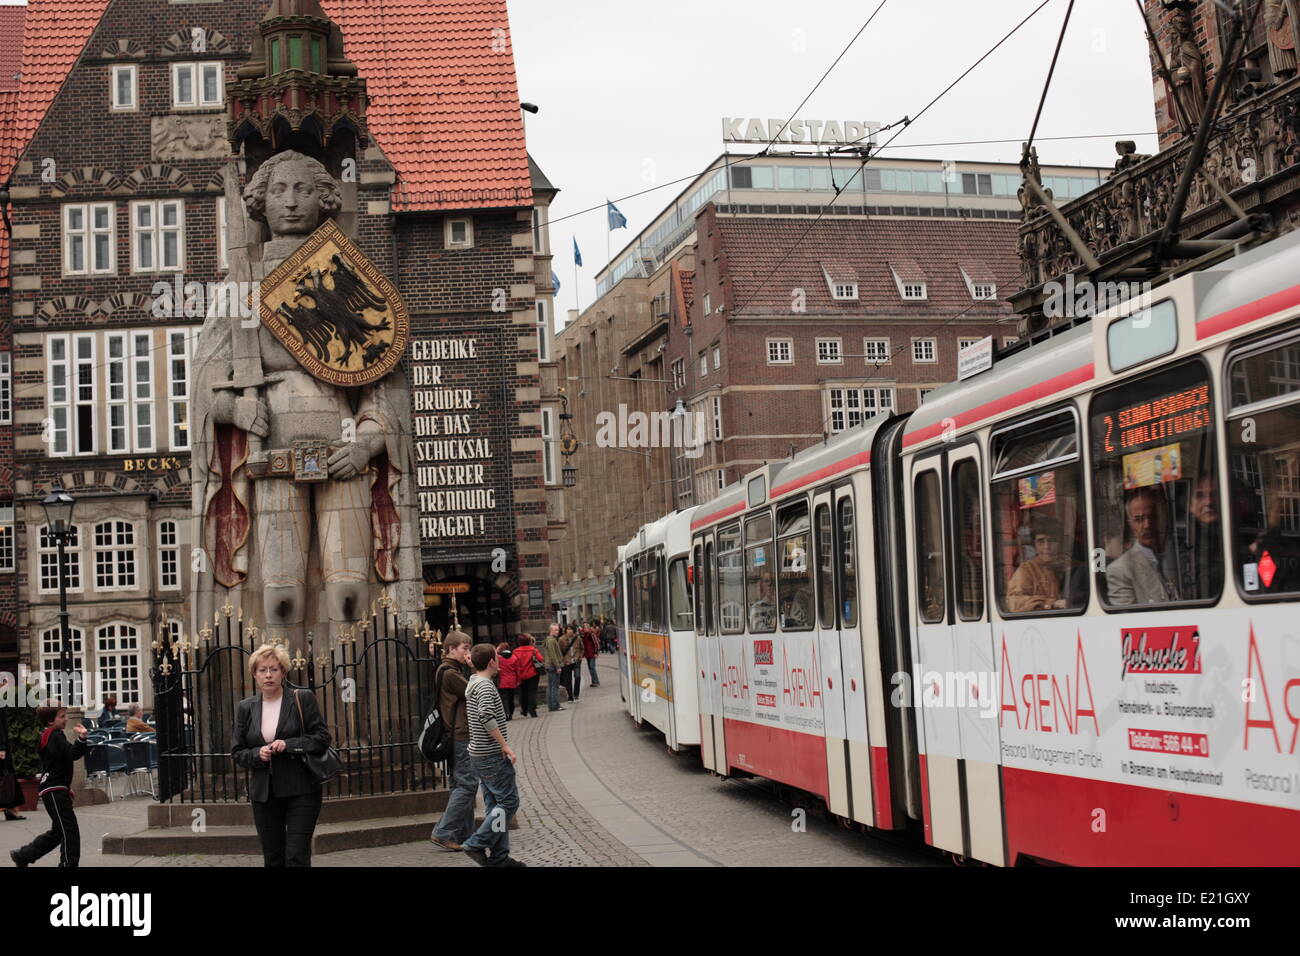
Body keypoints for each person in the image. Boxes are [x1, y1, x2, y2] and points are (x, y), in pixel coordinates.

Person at [231, 644, 331, 867]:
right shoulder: (246, 708)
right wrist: (258, 754)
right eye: (262, 670)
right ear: (254, 675)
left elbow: (322, 737)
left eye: (274, 669)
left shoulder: (301, 698)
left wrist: (289, 744)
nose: (268, 675)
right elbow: (238, 752)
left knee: (296, 855)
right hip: (265, 794)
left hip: (302, 790)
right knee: (273, 858)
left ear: (283, 672)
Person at [460, 644, 525, 867]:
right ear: (491, 662)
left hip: (478, 755)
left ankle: (499, 858)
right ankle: (477, 843)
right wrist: (504, 745)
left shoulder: (474, 682)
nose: (499, 661)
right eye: (497, 658)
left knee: (495, 805)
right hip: (490, 755)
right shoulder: (486, 687)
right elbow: (486, 717)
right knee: (509, 802)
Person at [10, 706, 87, 867]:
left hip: (54, 789)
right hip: (54, 790)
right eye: (62, 716)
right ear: (50, 721)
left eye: (65, 716)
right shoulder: (55, 735)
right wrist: (82, 738)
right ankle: (67, 864)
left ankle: (23, 855)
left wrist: (65, 787)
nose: (66, 719)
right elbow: (72, 754)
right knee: (69, 831)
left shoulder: (50, 735)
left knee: (59, 832)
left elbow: (58, 763)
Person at [429, 631, 474, 851]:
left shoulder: (449, 670)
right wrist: (476, 668)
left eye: (469, 648)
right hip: (461, 734)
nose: (468, 652)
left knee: (460, 784)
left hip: (456, 733)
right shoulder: (450, 673)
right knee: (468, 784)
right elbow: (476, 692)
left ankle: (461, 834)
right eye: (465, 648)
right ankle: (444, 831)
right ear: (451, 649)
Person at [1107, 487, 1181, 606]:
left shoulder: (1176, 556)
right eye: (1139, 519)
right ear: (1130, 524)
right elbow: (1126, 619)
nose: (1147, 525)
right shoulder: (1120, 569)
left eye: (1152, 516)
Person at [1007, 516, 1074, 612]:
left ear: (1060, 542)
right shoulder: (1027, 570)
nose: (1047, 546)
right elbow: (1014, 601)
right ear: (1034, 544)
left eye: (1052, 540)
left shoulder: (1073, 566)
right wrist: (1051, 603)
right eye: (1041, 541)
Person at [1183, 474, 1223, 600]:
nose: (1209, 502)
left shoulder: (1230, 530)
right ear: (1190, 505)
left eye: (1214, 494)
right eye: (1200, 496)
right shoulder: (1186, 540)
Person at [0, 690, 27, 821]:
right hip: (1, 745)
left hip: (3, 745)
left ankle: (12, 809)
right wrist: (2, 746)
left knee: (8, 778)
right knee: (7, 777)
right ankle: (11, 809)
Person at [514, 634, 543, 718]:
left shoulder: (515, 651)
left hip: (521, 675)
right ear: (529, 641)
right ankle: (532, 710)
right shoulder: (533, 650)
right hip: (532, 674)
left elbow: (515, 663)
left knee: (523, 692)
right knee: (532, 692)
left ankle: (524, 710)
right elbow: (540, 659)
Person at [543, 624, 565, 713]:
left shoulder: (549, 640)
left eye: (558, 630)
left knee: (551, 687)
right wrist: (558, 666)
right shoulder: (551, 640)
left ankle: (552, 706)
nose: (557, 631)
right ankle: (555, 706)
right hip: (553, 666)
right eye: (555, 630)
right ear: (551, 630)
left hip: (550, 666)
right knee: (554, 687)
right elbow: (553, 655)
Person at [560, 624, 583, 702]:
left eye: (571, 629)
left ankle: (576, 694)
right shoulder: (561, 639)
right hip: (567, 661)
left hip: (576, 660)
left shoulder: (578, 638)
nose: (569, 630)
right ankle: (570, 696)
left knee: (577, 677)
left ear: (573, 630)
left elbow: (582, 648)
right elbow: (560, 652)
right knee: (568, 679)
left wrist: (580, 657)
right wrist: (563, 660)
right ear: (565, 630)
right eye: (568, 629)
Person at [496, 640, 518, 720]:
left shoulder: (499, 658)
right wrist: (518, 680)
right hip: (512, 681)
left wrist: (497, 650)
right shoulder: (514, 658)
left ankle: (506, 714)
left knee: (504, 699)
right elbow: (517, 670)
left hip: (502, 682)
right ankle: (511, 713)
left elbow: (493, 653)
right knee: (511, 698)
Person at [582, 623, 600, 687]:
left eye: (587, 627)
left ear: (589, 628)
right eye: (584, 627)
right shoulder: (584, 635)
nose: (585, 629)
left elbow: (596, 643)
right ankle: (594, 681)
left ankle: (596, 681)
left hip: (592, 653)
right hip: (587, 654)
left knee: (592, 667)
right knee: (590, 668)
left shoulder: (591, 634)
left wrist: (596, 652)